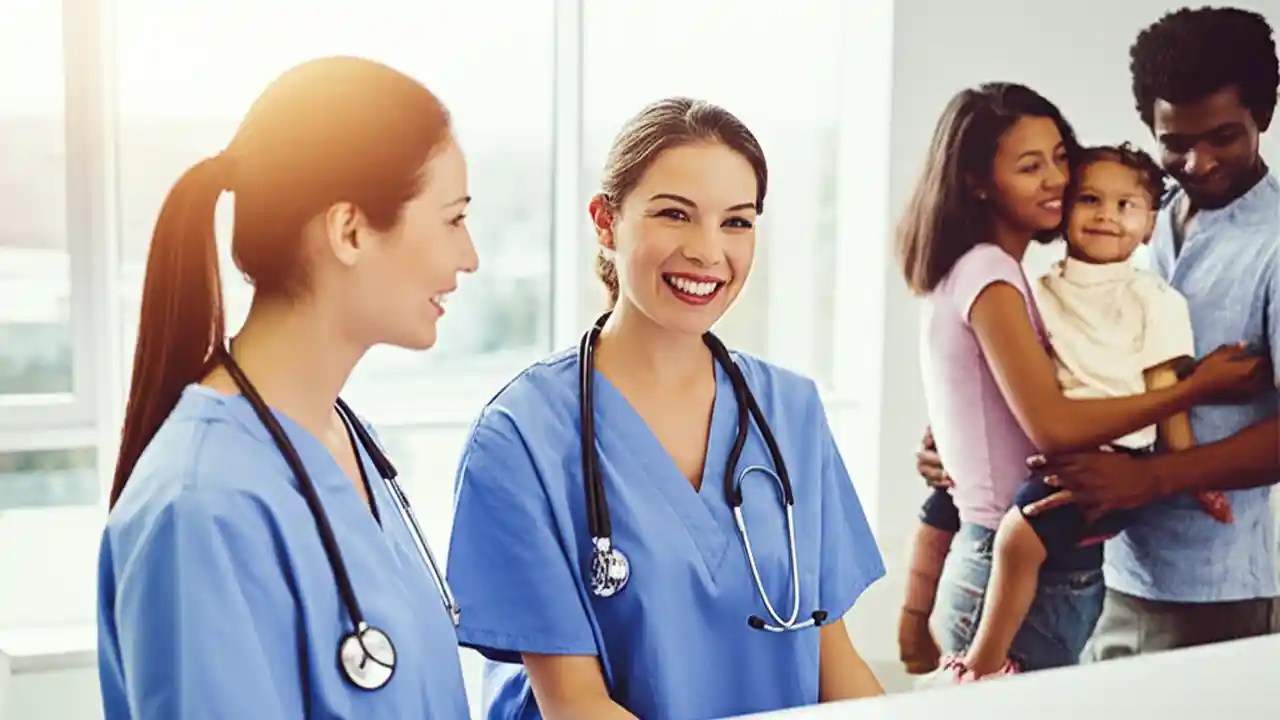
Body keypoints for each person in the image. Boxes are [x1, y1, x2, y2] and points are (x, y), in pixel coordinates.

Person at [445, 97, 886, 720]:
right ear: (605, 222)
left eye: (736, 222)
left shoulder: (791, 412)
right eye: (675, 215)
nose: (708, 252)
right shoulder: (521, 436)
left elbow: (831, 660)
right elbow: (574, 706)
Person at [96, 57, 478, 718]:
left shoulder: (349, 444)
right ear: (350, 230)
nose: (468, 256)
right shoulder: (202, 509)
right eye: (452, 219)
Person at [894, 82, 1266, 678]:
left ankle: (920, 637)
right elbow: (1055, 421)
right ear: (978, 182)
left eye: (1060, 158)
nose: (1056, 181)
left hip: (1075, 554)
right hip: (1023, 555)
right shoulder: (1005, 276)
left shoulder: (1006, 271)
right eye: (1030, 166)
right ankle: (964, 661)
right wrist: (1197, 388)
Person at [1023, 6, 1280, 657]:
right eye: (1175, 142)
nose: (1197, 162)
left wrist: (1152, 480)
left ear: (1265, 118)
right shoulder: (1134, 212)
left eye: (1224, 136)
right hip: (1096, 566)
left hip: (1215, 592)